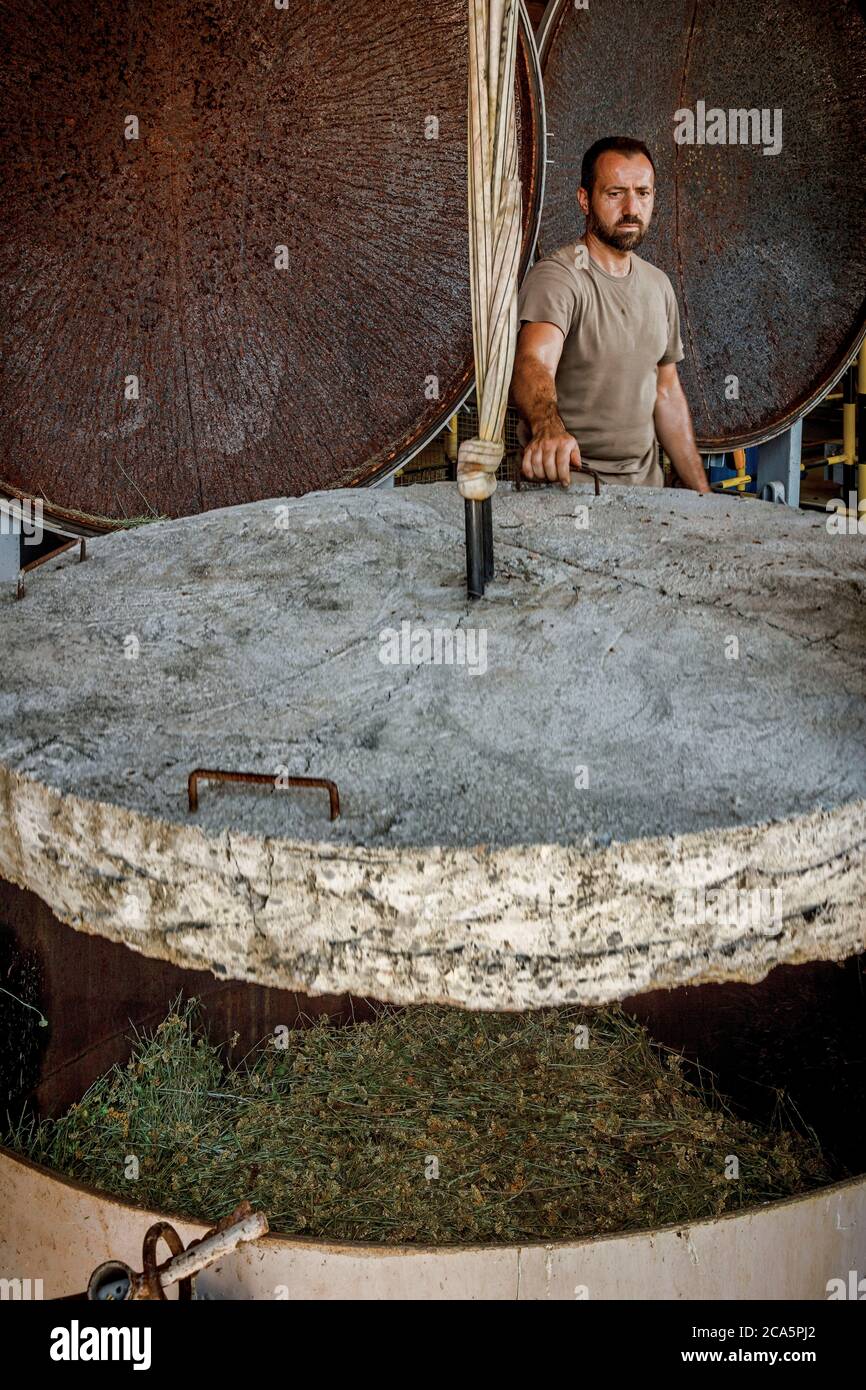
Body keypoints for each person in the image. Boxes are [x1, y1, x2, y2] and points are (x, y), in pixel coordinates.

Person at [512, 135, 710, 493]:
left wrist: (704, 496)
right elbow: (532, 364)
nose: (632, 208)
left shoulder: (659, 285)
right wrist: (547, 427)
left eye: (643, 193)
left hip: (648, 494)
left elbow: (666, 394)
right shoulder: (559, 277)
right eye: (615, 193)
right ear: (585, 200)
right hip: (572, 490)